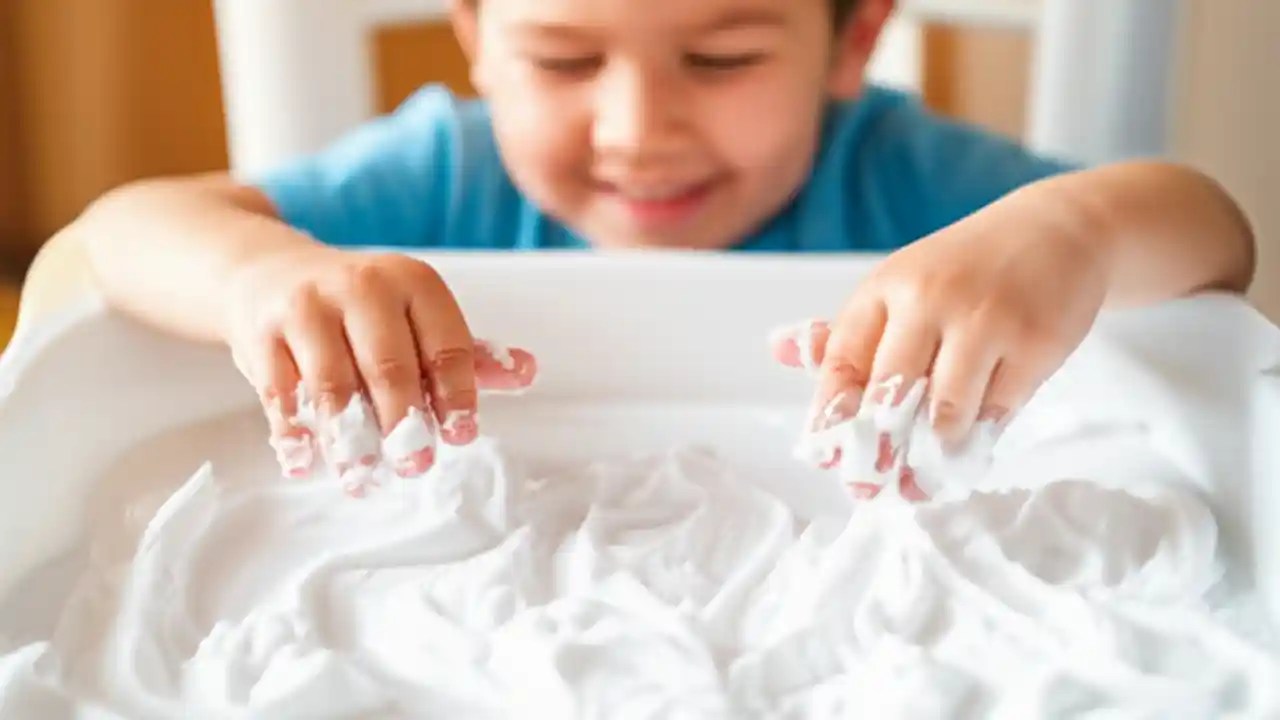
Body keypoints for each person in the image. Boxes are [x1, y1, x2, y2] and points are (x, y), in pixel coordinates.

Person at [60, 0, 1255, 487]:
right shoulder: (444, 169)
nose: (638, 131)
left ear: (852, 42)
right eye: (565, 60)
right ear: (474, 31)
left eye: (723, 59)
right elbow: (122, 231)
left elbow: (1210, 238)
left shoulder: (906, 176)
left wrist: (1074, 230)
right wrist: (261, 276)